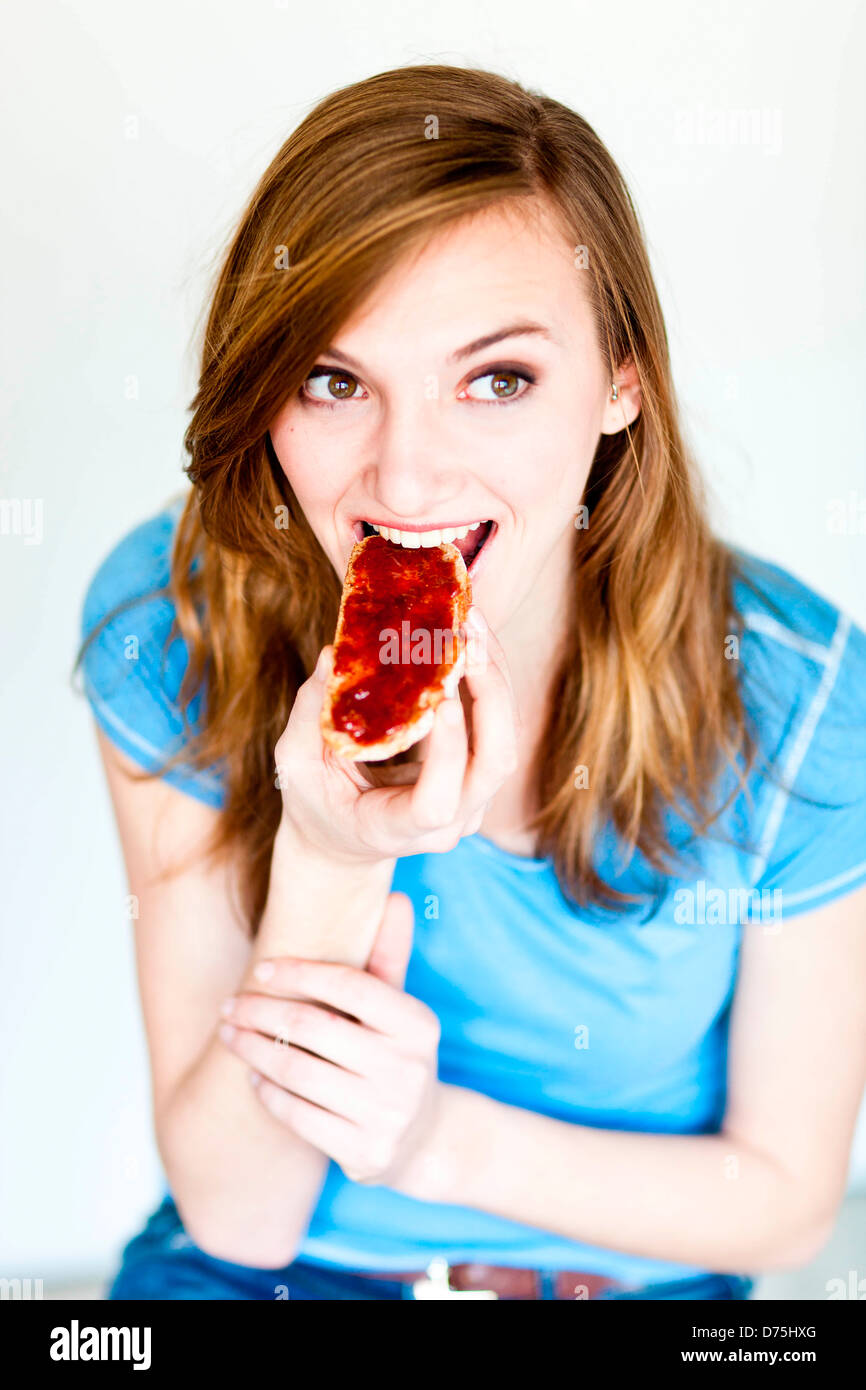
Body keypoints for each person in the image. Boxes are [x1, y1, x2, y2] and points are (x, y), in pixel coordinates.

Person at [75, 63, 866, 1301]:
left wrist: (431, 1138)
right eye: (334, 381)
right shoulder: (173, 615)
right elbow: (237, 1214)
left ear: (620, 384)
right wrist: (331, 861)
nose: (403, 479)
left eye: (496, 379)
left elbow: (779, 1206)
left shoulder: (794, 694)